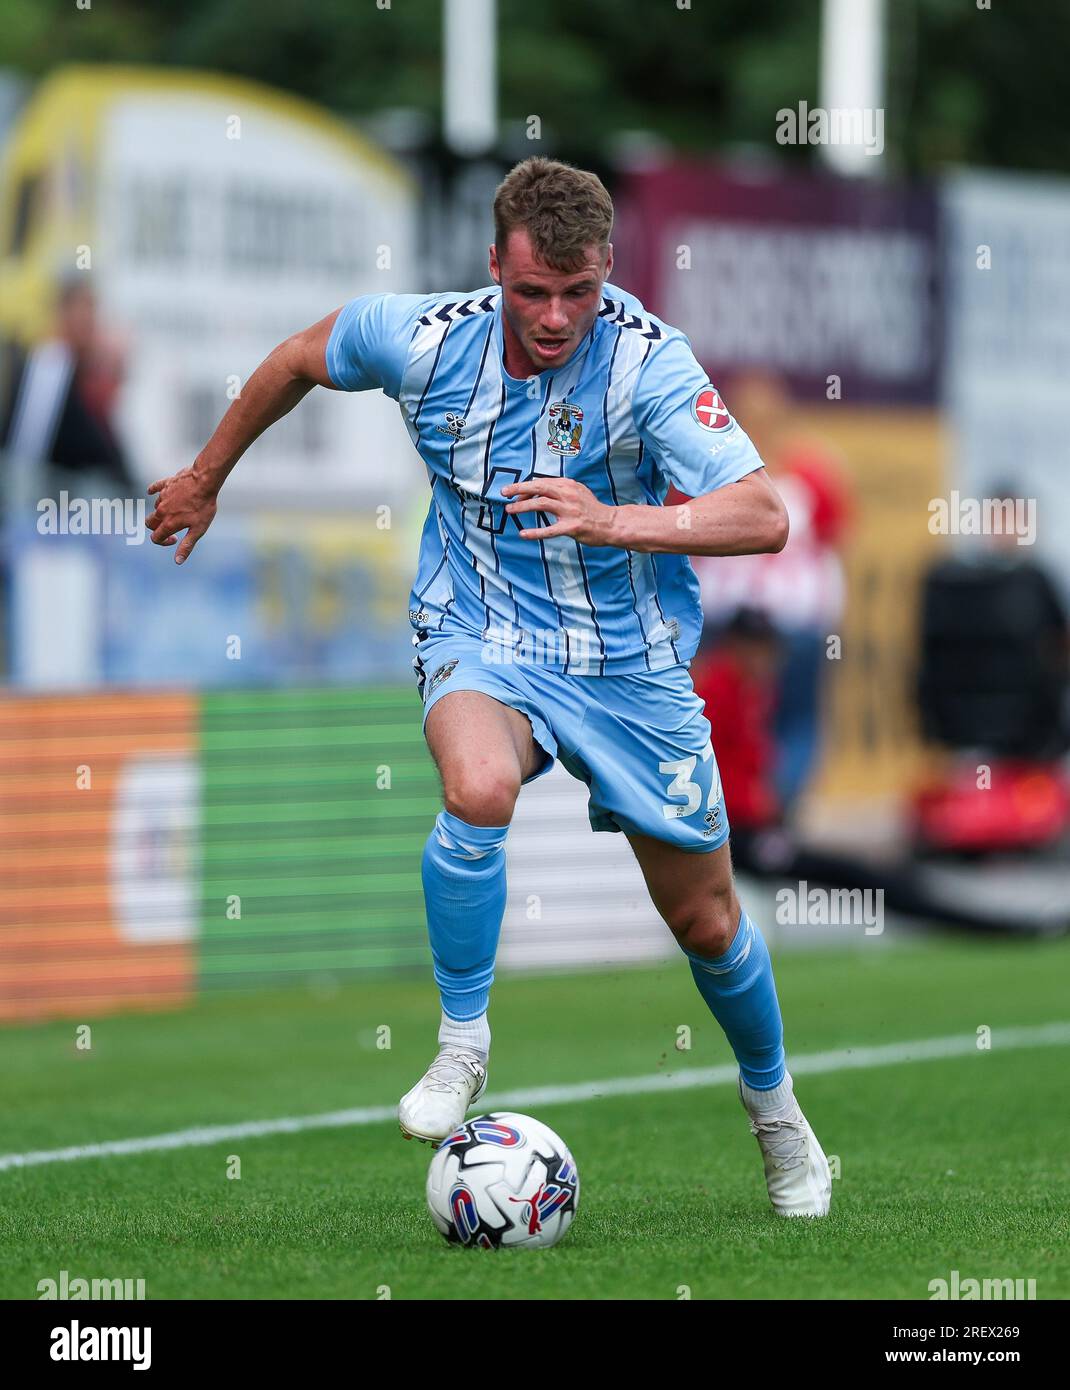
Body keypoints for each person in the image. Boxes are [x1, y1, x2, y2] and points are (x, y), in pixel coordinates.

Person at [145, 157, 832, 1218]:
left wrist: (614, 518)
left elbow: (761, 514)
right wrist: (205, 476)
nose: (556, 316)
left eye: (578, 291)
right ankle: (462, 1043)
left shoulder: (649, 364)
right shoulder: (420, 337)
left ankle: (777, 1114)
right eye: (531, 292)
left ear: (607, 269)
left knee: (704, 922)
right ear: (491, 269)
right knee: (476, 789)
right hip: (480, 631)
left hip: (626, 663)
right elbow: (294, 357)